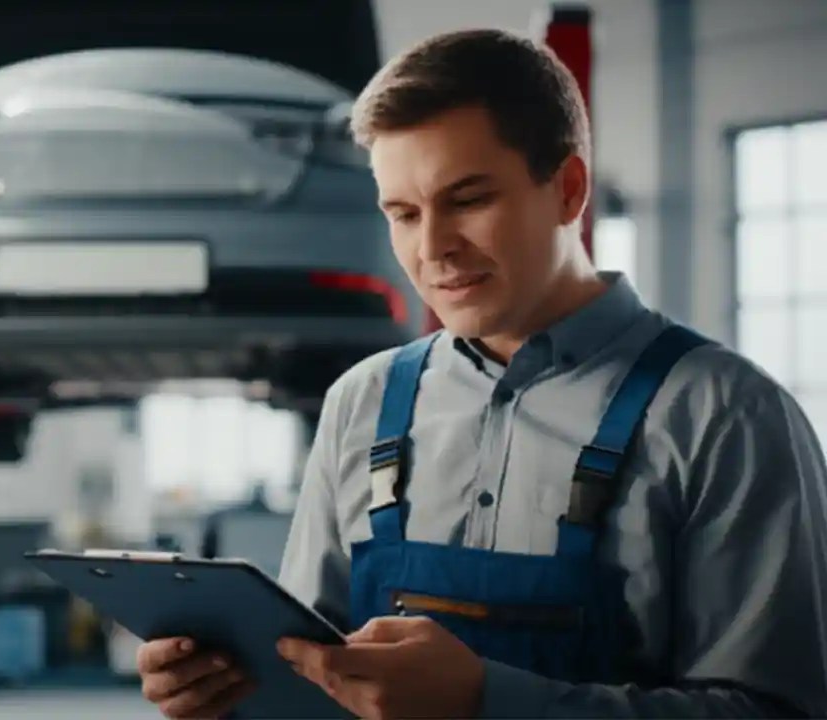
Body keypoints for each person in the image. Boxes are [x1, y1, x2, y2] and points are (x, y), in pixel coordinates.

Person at [136, 28, 827, 719]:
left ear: (569, 190)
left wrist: (485, 701)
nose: (431, 247)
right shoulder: (363, 401)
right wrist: (227, 687)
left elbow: (777, 713)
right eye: (403, 214)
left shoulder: (724, 415)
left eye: (467, 200)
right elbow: (308, 676)